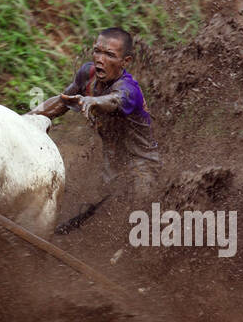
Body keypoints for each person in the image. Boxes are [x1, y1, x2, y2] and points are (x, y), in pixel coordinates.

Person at [31, 27, 161, 232]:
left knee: (138, 214)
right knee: (99, 220)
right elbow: (63, 102)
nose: (100, 59)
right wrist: (27, 119)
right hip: (112, 163)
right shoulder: (88, 74)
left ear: (125, 62)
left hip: (142, 165)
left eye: (109, 55)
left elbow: (114, 100)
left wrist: (93, 101)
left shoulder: (129, 89)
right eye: (97, 51)